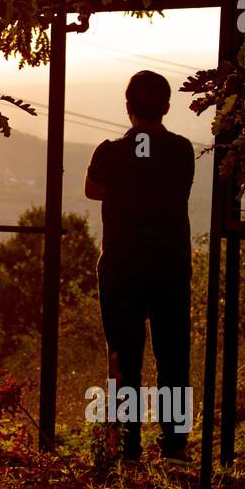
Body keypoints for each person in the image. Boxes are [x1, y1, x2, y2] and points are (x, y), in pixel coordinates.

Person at [83, 70, 195, 464]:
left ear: (128, 107)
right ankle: (175, 445)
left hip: (121, 268)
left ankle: (127, 446)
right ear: (166, 106)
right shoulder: (182, 151)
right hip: (170, 266)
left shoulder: (109, 152)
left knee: (123, 357)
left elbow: (92, 189)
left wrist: (124, 186)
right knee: (173, 355)